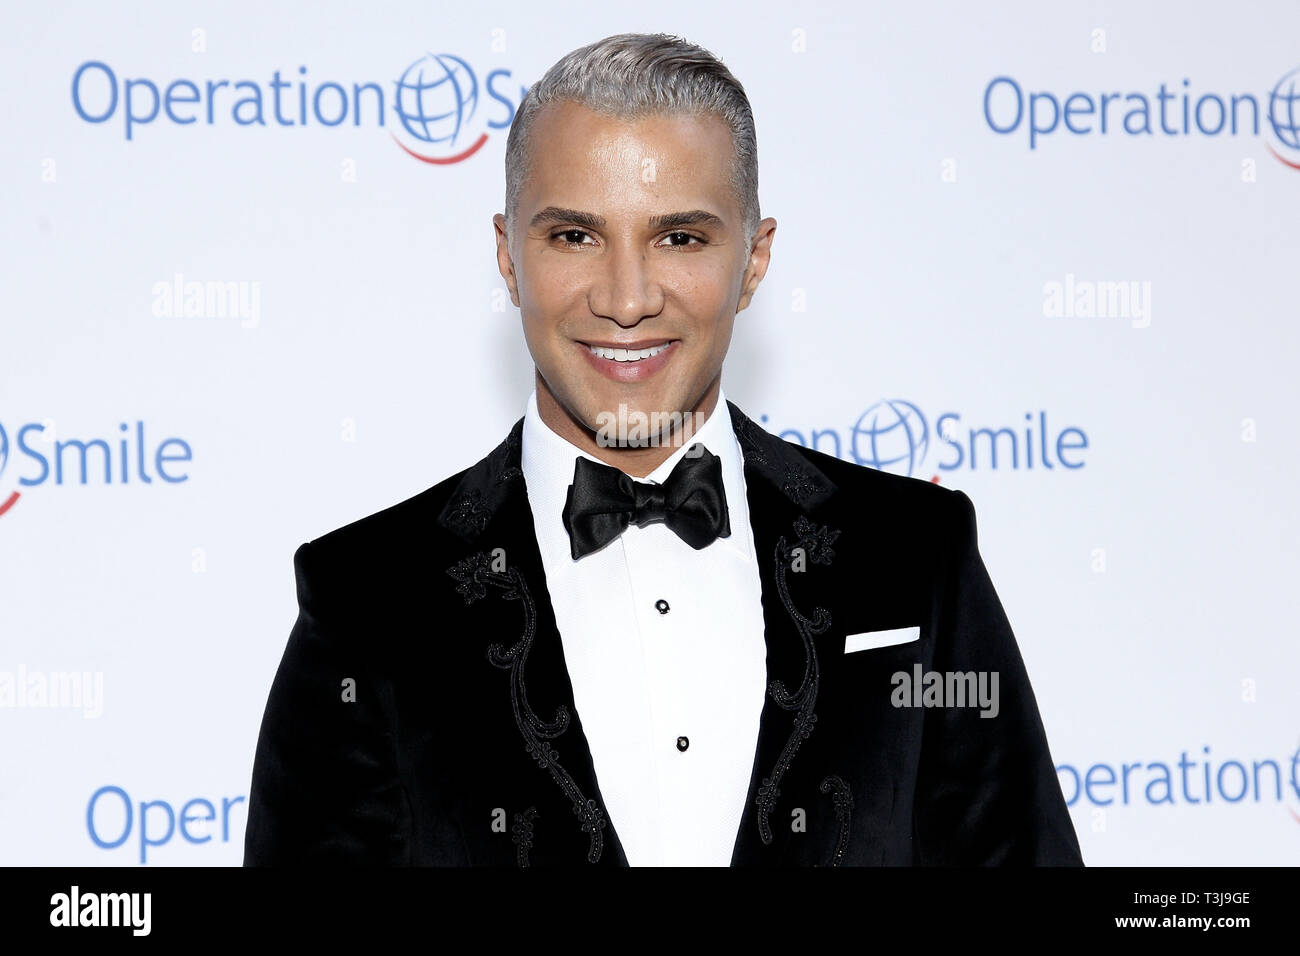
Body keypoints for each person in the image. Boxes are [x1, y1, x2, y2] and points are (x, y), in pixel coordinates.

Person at [243, 32, 1083, 867]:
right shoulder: (367, 601)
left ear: (754, 261)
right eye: (574, 236)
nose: (627, 299)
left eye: (680, 238)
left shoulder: (913, 560)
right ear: (507, 256)